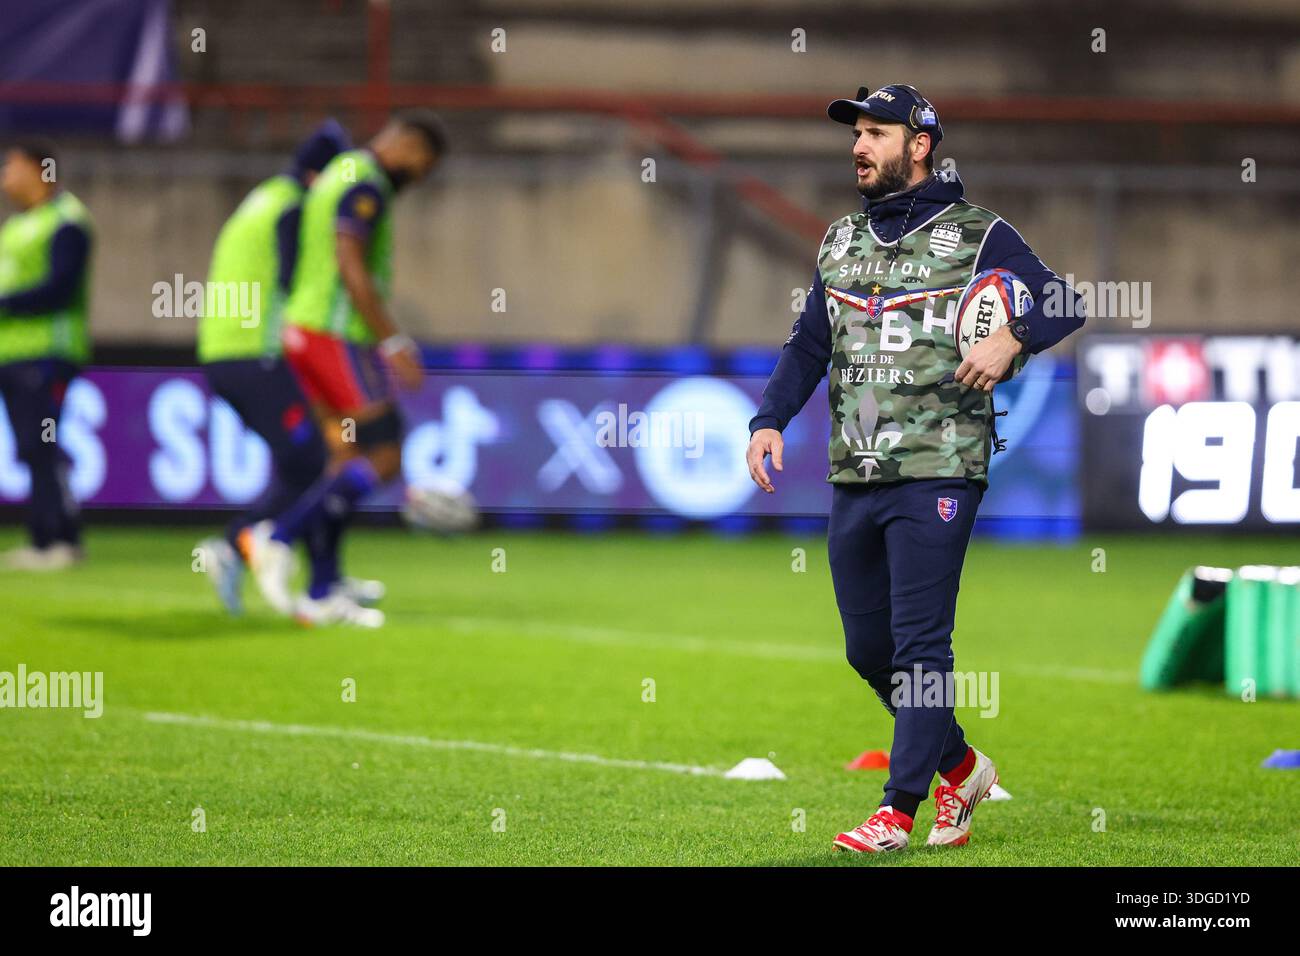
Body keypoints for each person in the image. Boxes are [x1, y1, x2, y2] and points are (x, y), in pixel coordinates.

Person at [745, 85, 1087, 853]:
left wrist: (1015, 339)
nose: (859, 146)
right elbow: (809, 343)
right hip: (856, 470)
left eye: (875, 133)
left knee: (921, 644)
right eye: (855, 134)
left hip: (942, 466)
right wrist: (769, 420)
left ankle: (899, 809)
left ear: (920, 143)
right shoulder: (838, 239)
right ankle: (962, 766)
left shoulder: (979, 234)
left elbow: (1066, 297)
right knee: (868, 651)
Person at [243, 111, 446, 628]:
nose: (420, 176)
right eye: (424, 163)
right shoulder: (368, 184)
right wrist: (393, 340)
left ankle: (321, 591)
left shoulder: (339, 170)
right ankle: (279, 535)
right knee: (386, 452)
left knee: (344, 459)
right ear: (407, 145)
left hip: (301, 330)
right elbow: (351, 264)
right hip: (334, 333)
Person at [194, 120, 382, 616]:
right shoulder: (294, 208)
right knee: (322, 461)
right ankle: (242, 547)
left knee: (317, 459)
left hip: (228, 350)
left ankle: (325, 577)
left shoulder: (265, 197)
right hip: (260, 351)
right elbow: (291, 276)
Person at [0, 139, 93, 571]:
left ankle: (60, 538)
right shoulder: (18, 226)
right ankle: (43, 538)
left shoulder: (66, 221)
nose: (5, 176)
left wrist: (5, 303)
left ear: (40, 171)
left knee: (43, 442)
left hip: (47, 354)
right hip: (15, 355)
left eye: (12, 167)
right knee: (31, 446)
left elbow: (61, 286)